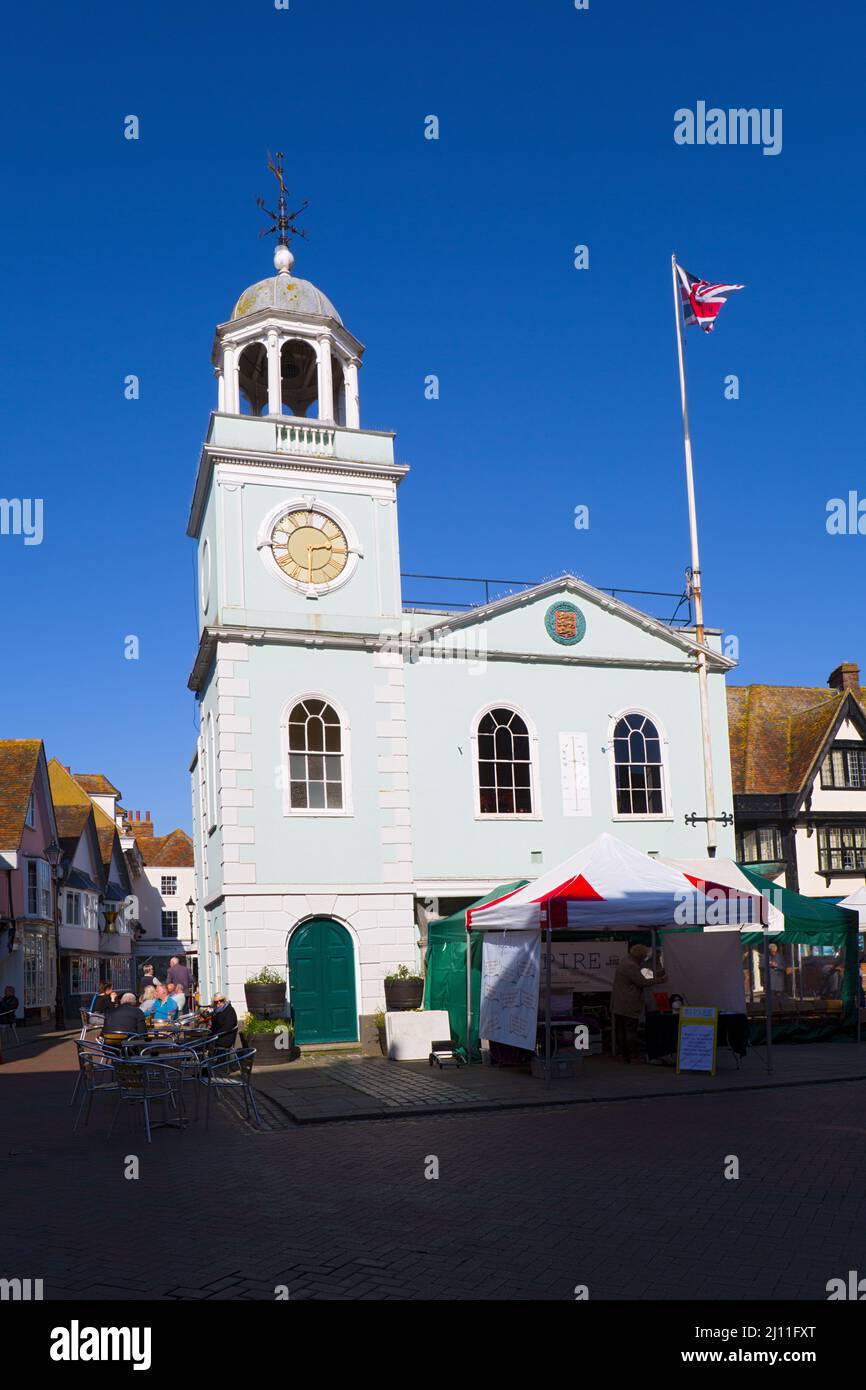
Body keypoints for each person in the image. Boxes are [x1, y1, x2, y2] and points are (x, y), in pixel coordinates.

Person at [611, 943, 666, 1064]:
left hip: (619, 1002)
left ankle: (623, 1056)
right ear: (640, 956)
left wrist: (656, 975)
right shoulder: (631, 965)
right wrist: (660, 980)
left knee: (621, 1030)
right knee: (630, 1030)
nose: (644, 959)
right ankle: (633, 1056)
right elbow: (641, 982)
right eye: (644, 956)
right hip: (628, 1003)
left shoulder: (625, 961)